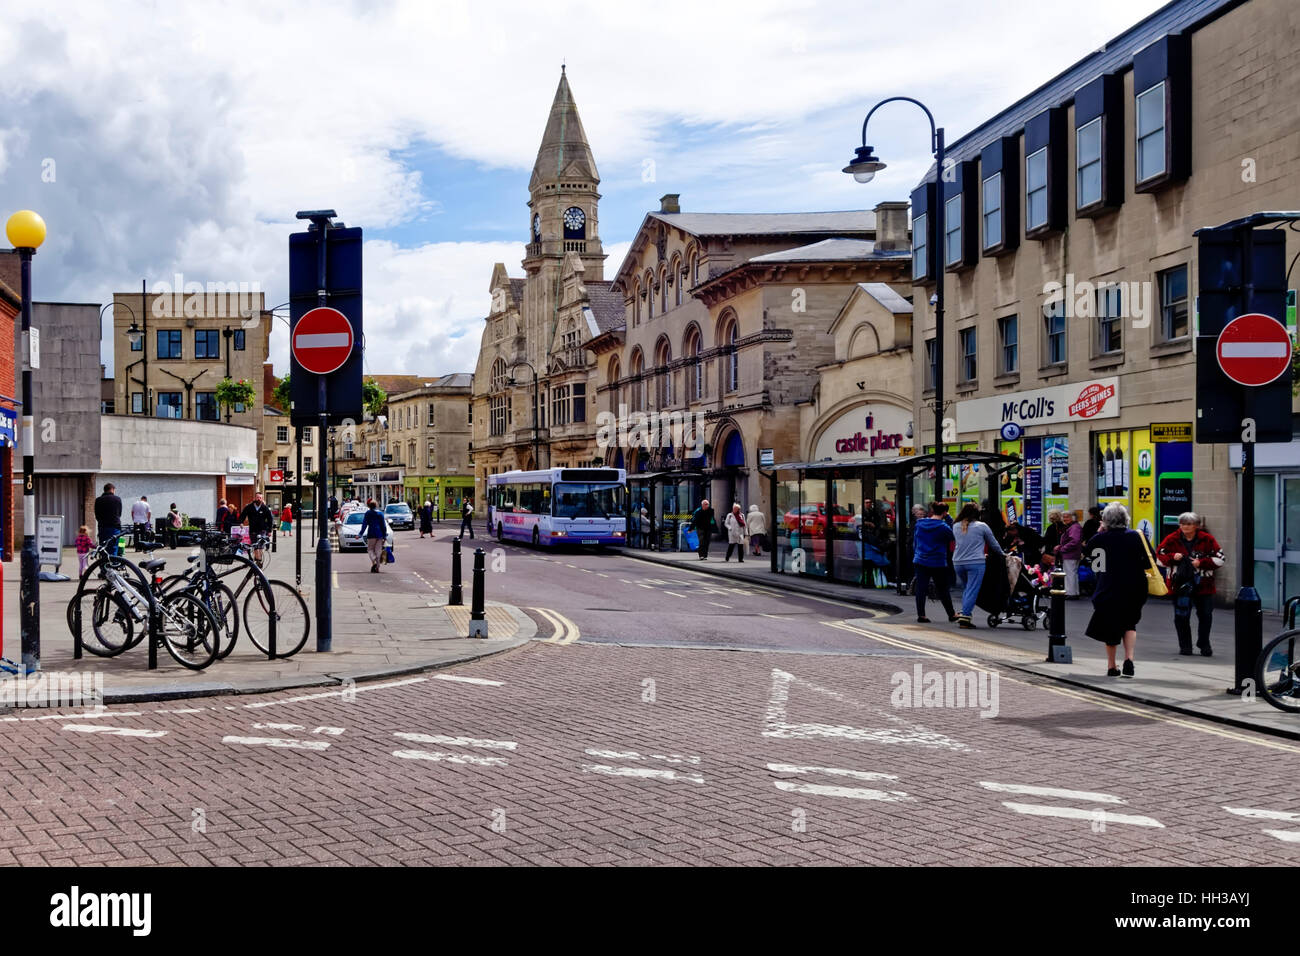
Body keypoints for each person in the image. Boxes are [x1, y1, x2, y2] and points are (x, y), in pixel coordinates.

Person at [1083, 503, 1155, 678]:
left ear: (1105, 520)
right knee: (1130, 623)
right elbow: (1149, 562)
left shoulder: (1098, 539)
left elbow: (1094, 565)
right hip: (1134, 587)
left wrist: (1100, 532)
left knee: (1110, 626)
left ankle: (1111, 666)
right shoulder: (1137, 537)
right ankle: (1129, 659)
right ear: (1126, 519)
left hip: (1107, 587)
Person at [1156, 512, 1225, 657]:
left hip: (1203, 584)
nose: (1184, 527)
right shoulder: (1171, 539)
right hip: (1180, 585)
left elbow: (1220, 559)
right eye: (1182, 524)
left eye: (1188, 524)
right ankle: (1185, 646)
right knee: (1181, 616)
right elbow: (1159, 558)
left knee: (1206, 615)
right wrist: (1172, 557)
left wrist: (1201, 563)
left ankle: (1204, 643)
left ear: (1196, 526)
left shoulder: (1207, 539)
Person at [952, 503, 1004, 628]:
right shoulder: (982, 526)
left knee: (967, 589)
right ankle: (965, 618)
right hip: (975, 562)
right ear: (978, 514)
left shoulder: (956, 526)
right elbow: (993, 543)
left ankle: (964, 612)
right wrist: (1003, 554)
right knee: (972, 590)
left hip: (958, 563)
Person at [912, 502, 956, 623]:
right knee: (943, 589)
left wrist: (916, 554)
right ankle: (951, 614)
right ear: (945, 513)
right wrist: (949, 520)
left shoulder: (919, 524)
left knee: (921, 588)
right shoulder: (943, 526)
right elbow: (952, 537)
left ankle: (921, 615)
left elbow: (915, 542)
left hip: (920, 559)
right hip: (937, 561)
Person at [239, 492, 275, 563]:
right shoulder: (249, 507)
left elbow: (270, 519)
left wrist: (270, 530)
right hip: (253, 529)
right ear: (254, 498)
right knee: (255, 545)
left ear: (262, 499)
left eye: (260, 498)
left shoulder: (265, 508)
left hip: (262, 530)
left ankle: (259, 560)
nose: (258, 499)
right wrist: (241, 522)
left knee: (261, 545)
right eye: (257, 497)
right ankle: (257, 560)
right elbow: (243, 515)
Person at [1057, 510, 1084, 597]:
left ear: (1073, 518)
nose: (1065, 519)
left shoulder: (1074, 527)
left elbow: (1074, 541)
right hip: (1073, 553)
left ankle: (1070, 593)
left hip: (1070, 554)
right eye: (1064, 517)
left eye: (1067, 517)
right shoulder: (1074, 526)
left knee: (1069, 574)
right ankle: (1074, 592)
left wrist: (1062, 548)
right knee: (1073, 573)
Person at [94, 482, 123, 553]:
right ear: (112, 489)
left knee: (103, 548)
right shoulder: (117, 499)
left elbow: (97, 514)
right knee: (113, 548)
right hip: (114, 527)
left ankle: (103, 563)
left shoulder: (98, 500)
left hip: (102, 527)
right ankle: (113, 563)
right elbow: (119, 513)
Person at [361, 499, 388, 572]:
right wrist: (384, 536)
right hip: (379, 534)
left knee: (370, 549)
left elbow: (364, 524)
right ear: (376, 505)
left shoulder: (367, 513)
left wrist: (360, 534)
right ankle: (377, 568)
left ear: (369, 506)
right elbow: (383, 526)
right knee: (378, 551)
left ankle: (374, 560)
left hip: (371, 533)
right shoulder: (380, 514)